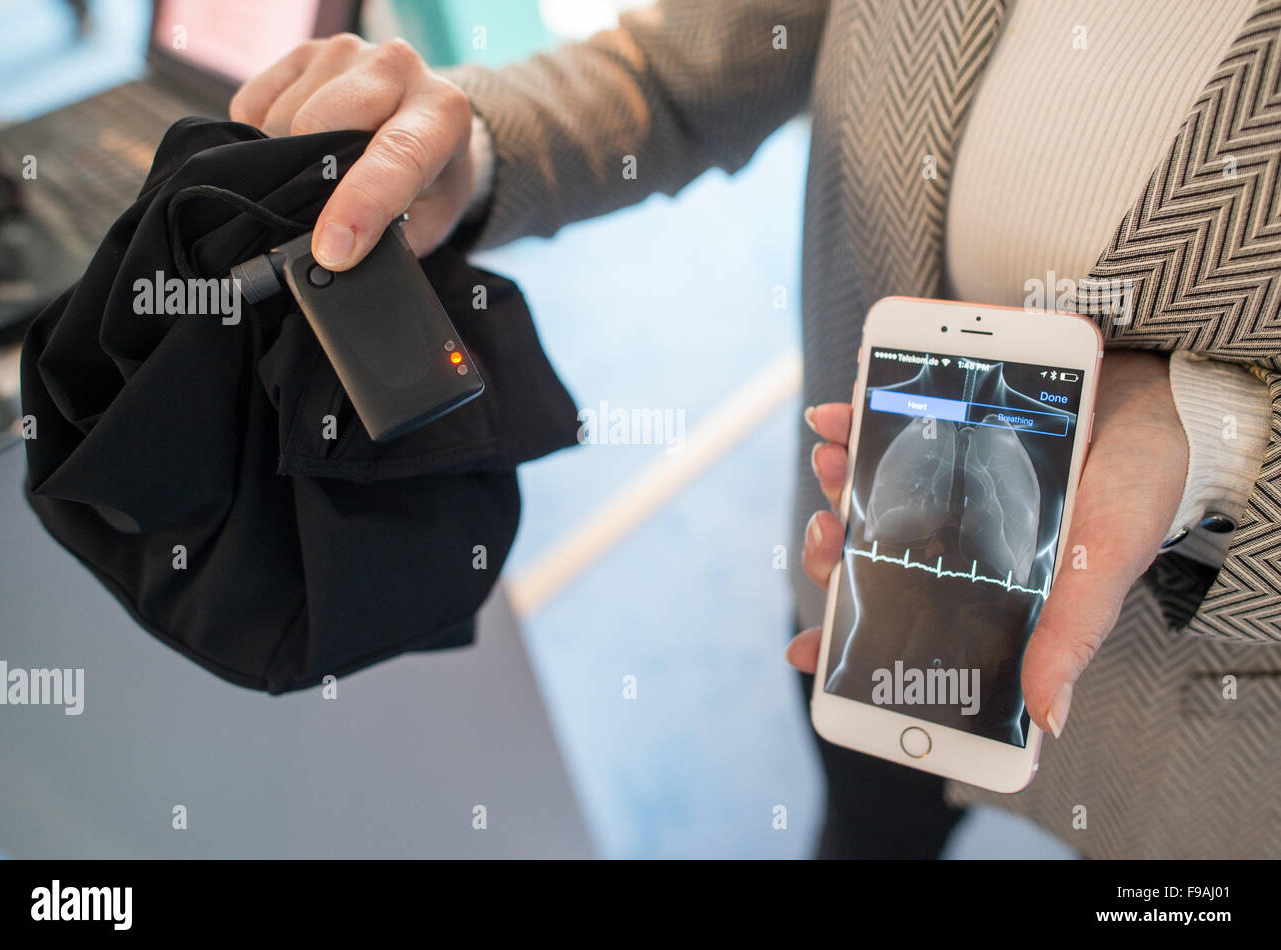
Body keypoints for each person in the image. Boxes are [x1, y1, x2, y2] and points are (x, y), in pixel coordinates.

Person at [230, 0, 1281, 858]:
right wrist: (467, 139)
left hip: (1204, 723)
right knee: (869, 820)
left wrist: (1220, 446)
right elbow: (677, 77)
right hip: (873, 581)